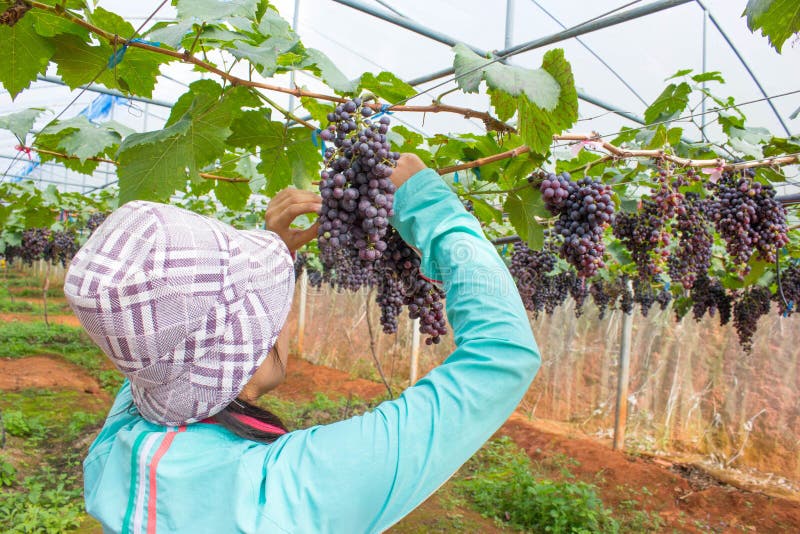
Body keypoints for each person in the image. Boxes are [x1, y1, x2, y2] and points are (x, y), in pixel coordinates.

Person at [65, 154, 541, 533]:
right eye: (277, 308)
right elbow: (503, 355)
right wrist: (433, 208)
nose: (287, 319)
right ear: (256, 349)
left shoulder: (119, 444)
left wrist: (272, 253)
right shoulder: (288, 491)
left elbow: (170, 337)